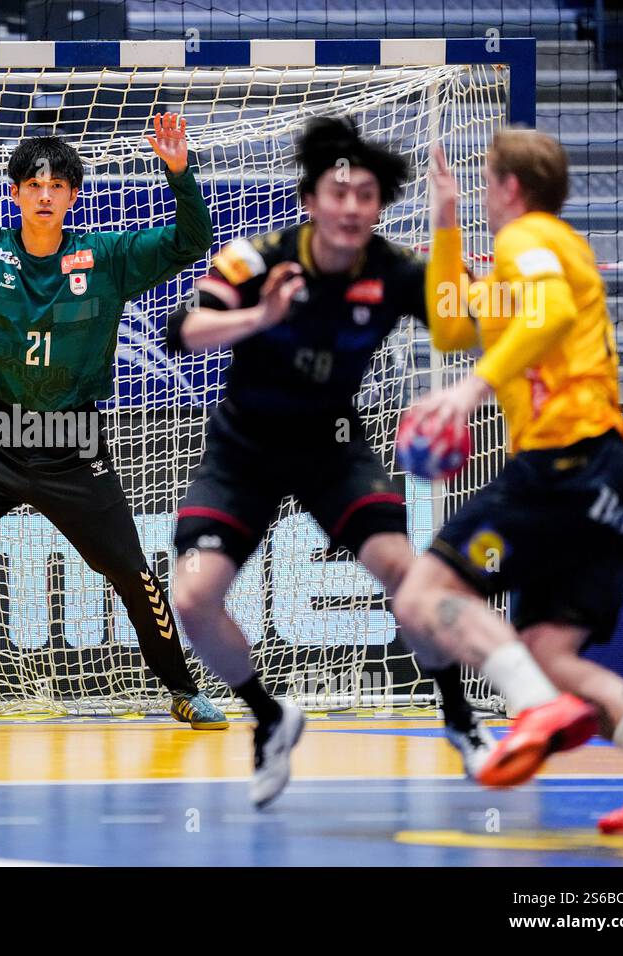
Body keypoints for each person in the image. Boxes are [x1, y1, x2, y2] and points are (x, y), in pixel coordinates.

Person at [0, 102, 226, 732]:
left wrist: (179, 173)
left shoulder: (106, 257)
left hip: (73, 444)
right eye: (33, 185)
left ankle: (182, 690)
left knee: (132, 572)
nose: (44, 195)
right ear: (14, 193)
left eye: (57, 186)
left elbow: (191, 241)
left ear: (74, 197)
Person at [167, 117, 493, 808]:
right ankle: (270, 716)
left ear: (379, 207)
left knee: (407, 577)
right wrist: (261, 317)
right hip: (243, 451)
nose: (351, 207)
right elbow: (186, 333)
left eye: (366, 195)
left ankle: (460, 717)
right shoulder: (256, 259)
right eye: (337, 193)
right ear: (310, 200)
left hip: (332, 447)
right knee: (192, 599)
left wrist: (448, 227)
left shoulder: (393, 270)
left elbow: (460, 327)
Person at [392, 129, 623, 834]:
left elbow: (549, 315)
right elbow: (449, 326)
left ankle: (535, 710)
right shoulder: (522, 265)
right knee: (548, 654)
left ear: (508, 188)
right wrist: (443, 225)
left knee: (423, 593)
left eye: (485, 181)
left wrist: (468, 396)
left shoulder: (531, 238)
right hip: (615, 481)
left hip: (569, 460)